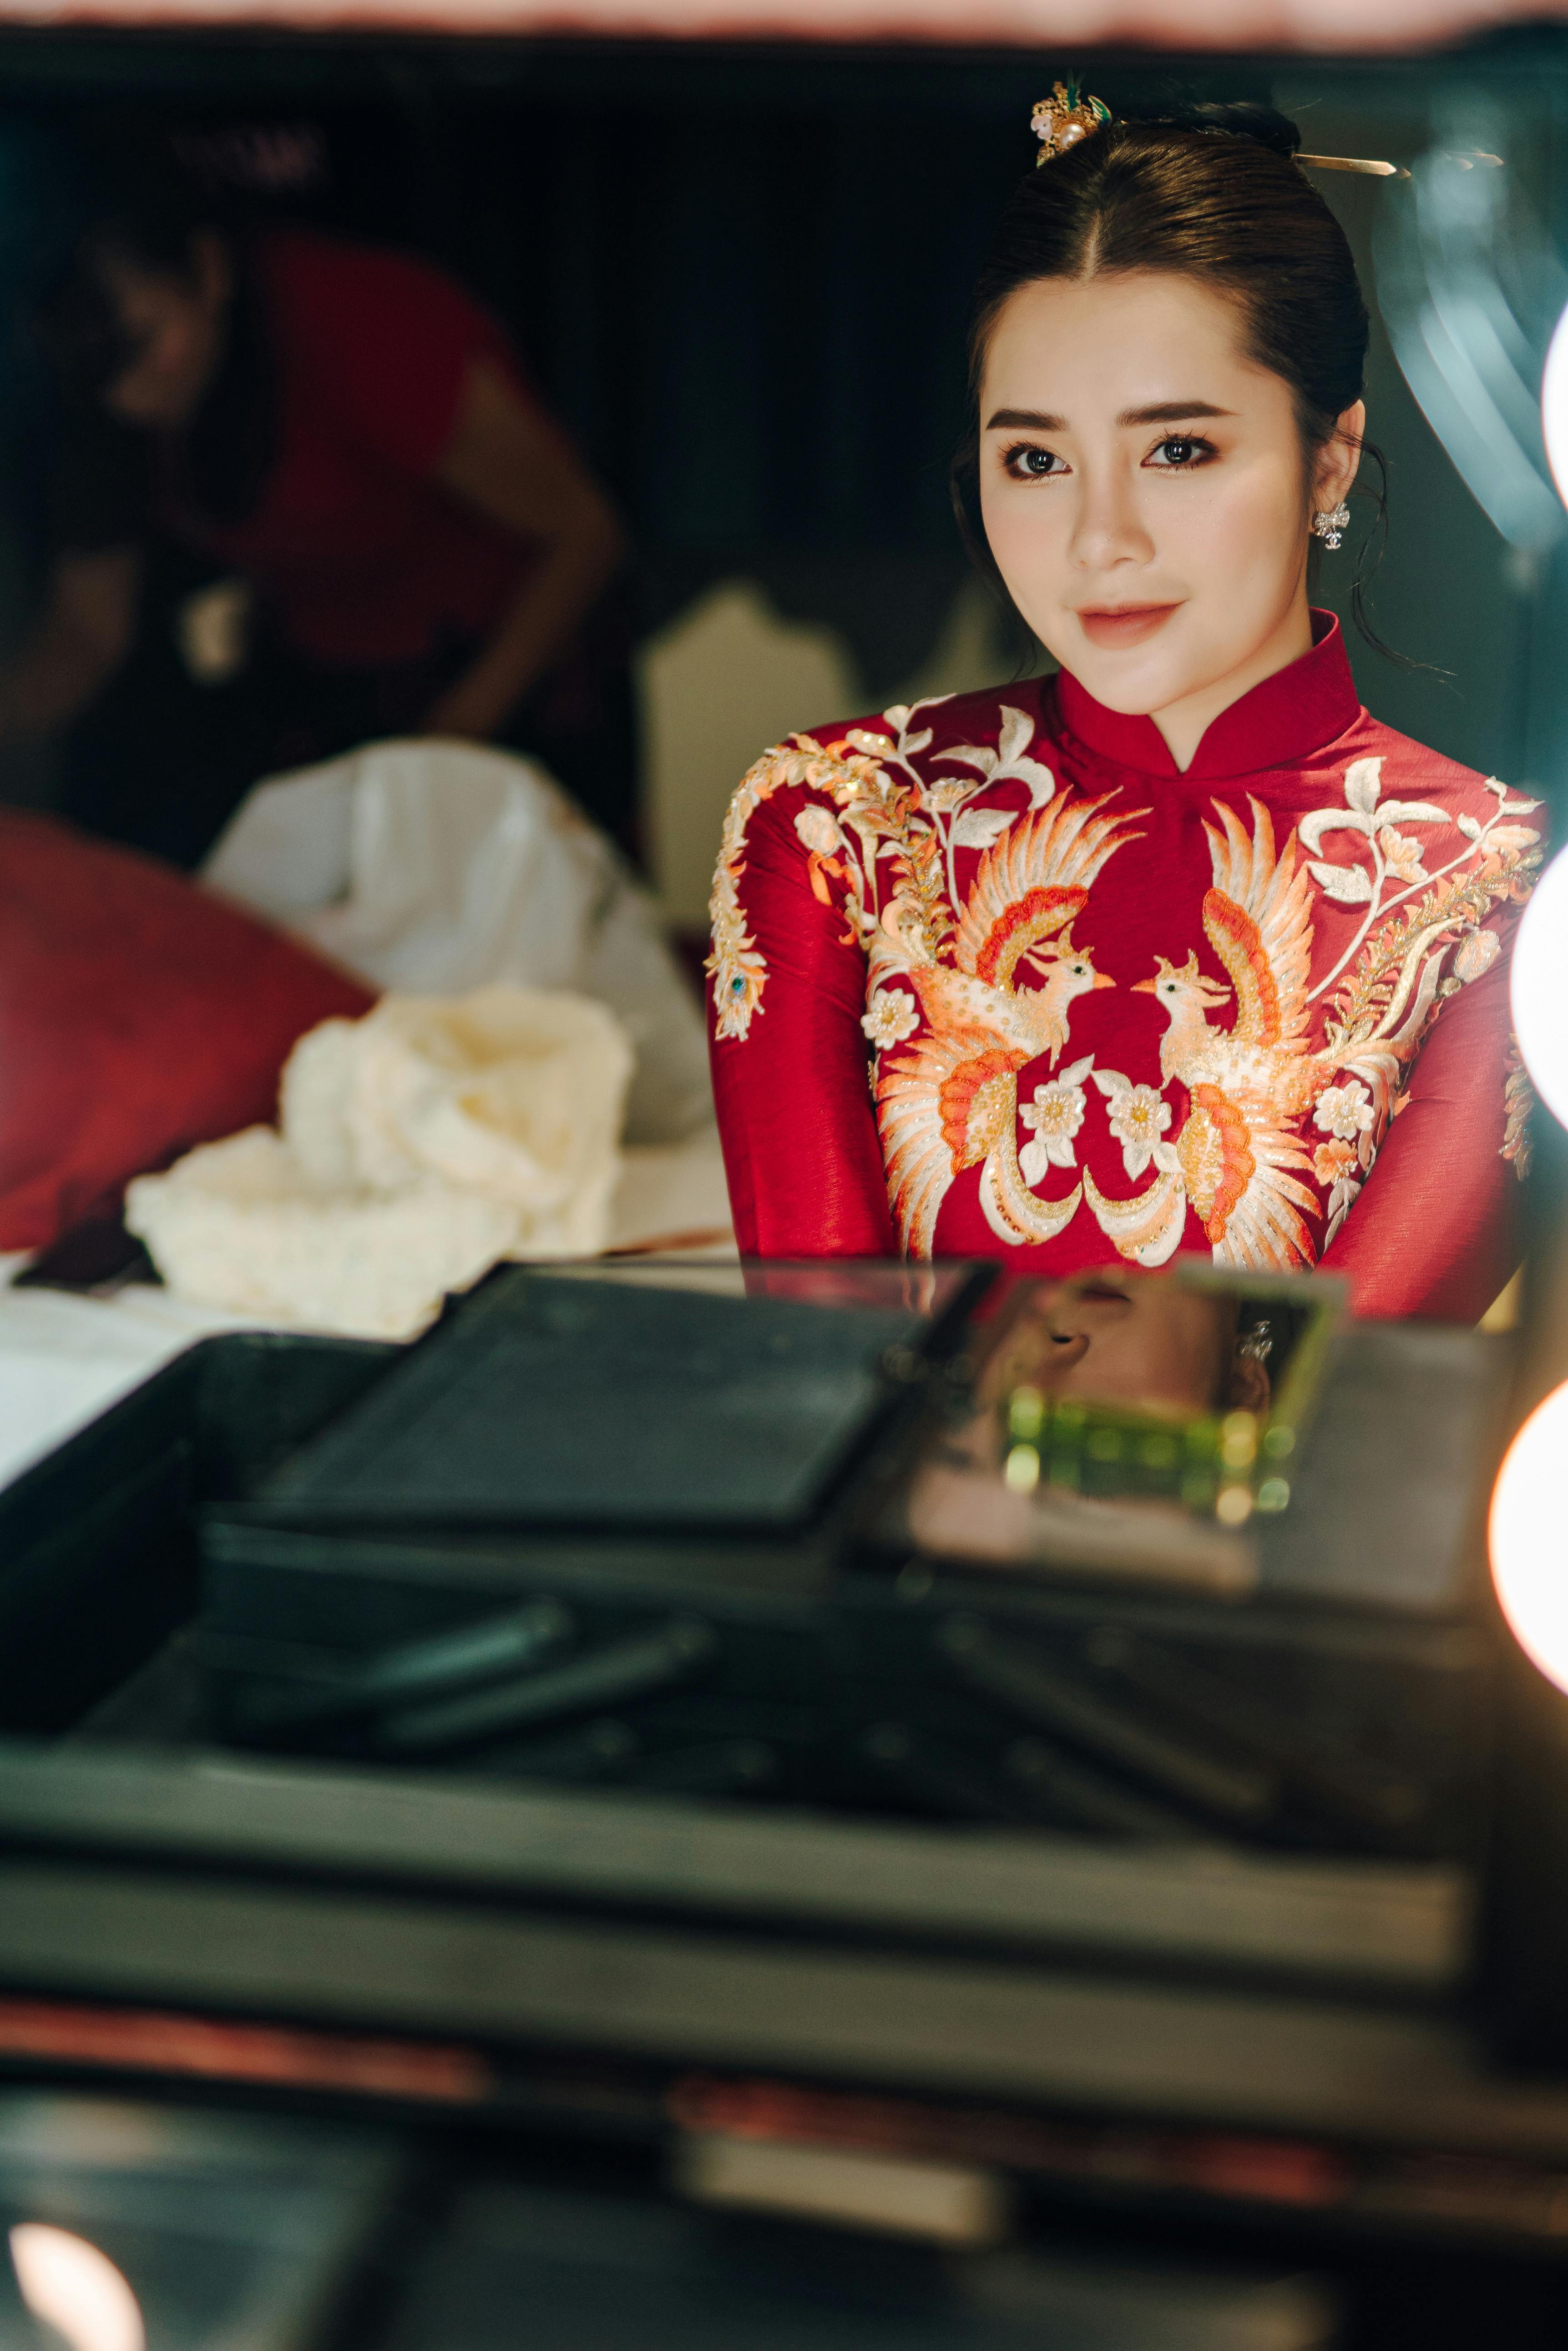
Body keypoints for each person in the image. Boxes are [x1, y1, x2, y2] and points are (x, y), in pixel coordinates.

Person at [708, 94, 1543, 1321]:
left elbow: (1330, 1424)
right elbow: (819, 1390)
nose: (1098, 542)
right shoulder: (836, 824)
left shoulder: (1500, 897)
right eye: (1035, 460)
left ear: (1328, 455)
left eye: (1178, 450)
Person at [4, 159, 630, 866]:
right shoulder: (102, 411)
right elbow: (89, 631)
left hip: (510, 686)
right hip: (328, 699)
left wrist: (451, 739)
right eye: (99, 375)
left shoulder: (361, 325)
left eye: (144, 343)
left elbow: (585, 532)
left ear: (208, 271)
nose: (132, 395)